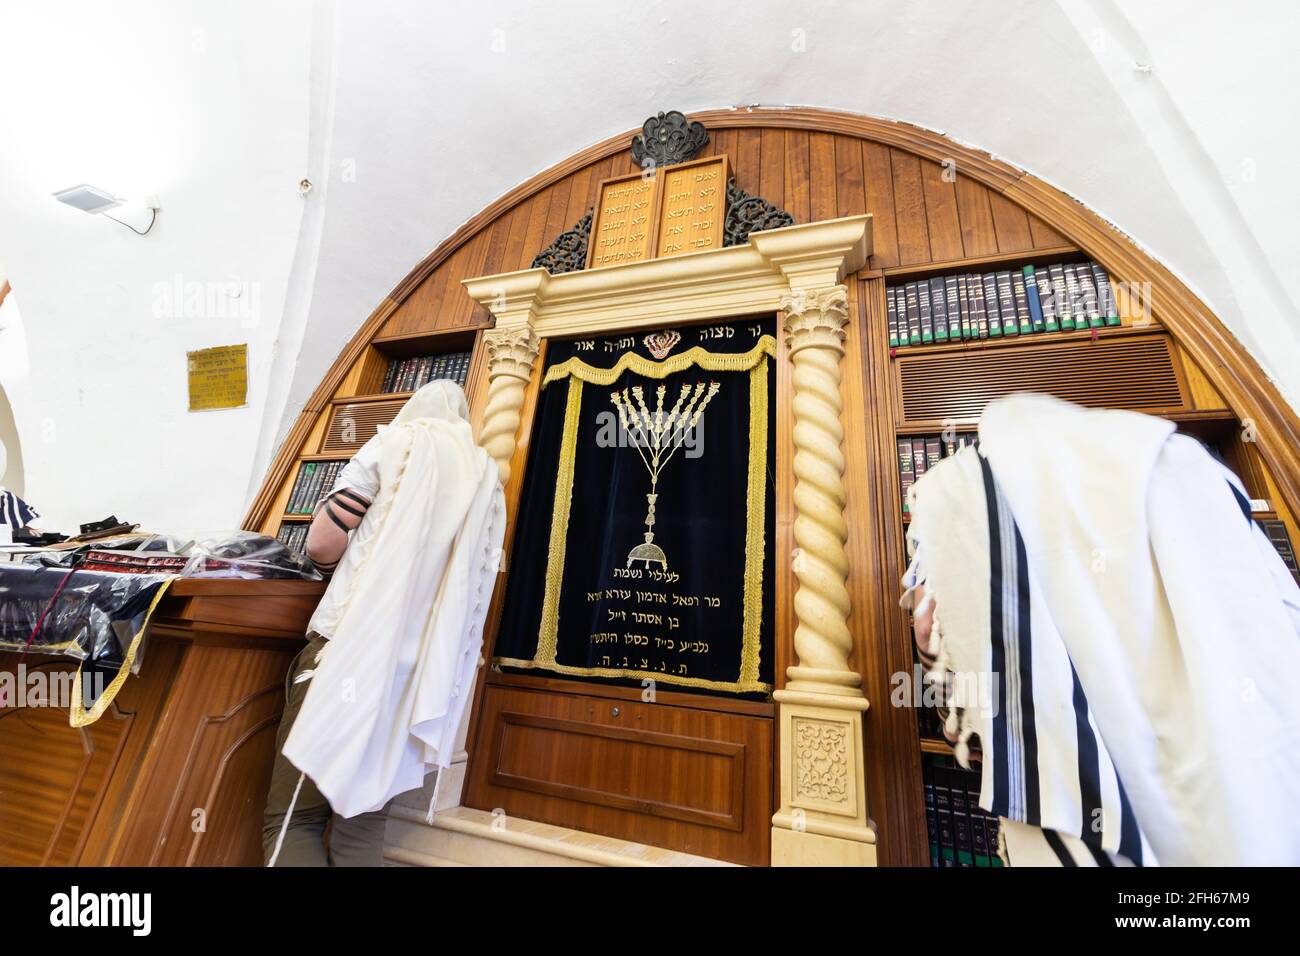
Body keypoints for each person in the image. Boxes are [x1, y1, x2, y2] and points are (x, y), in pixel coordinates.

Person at [902, 393, 1300, 866]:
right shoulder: (1176, 461)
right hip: (1249, 779)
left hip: (1072, 792)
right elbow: (1277, 612)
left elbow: (939, 644)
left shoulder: (957, 493)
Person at [263, 379, 504, 866]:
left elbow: (323, 542)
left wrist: (333, 575)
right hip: (415, 677)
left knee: (294, 816)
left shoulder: (397, 441)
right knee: (363, 823)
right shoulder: (486, 477)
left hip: (348, 648)